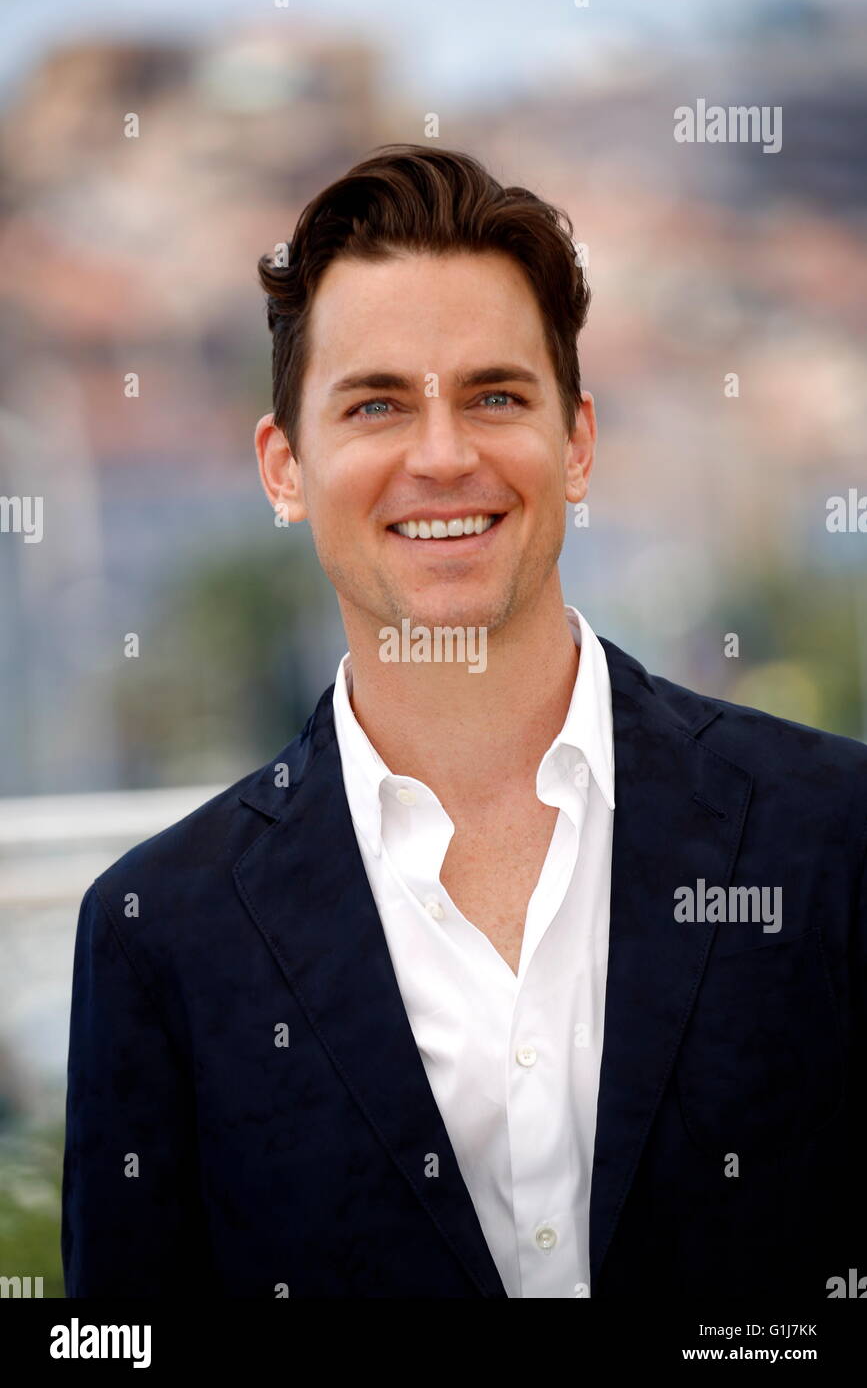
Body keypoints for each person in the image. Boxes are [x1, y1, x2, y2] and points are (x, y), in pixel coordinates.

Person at [62, 144, 866, 1299]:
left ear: (577, 442)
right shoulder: (156, 937)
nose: (444, 456)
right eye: (377, 403)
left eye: (495, 395)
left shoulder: (835, 836)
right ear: (284, 468)